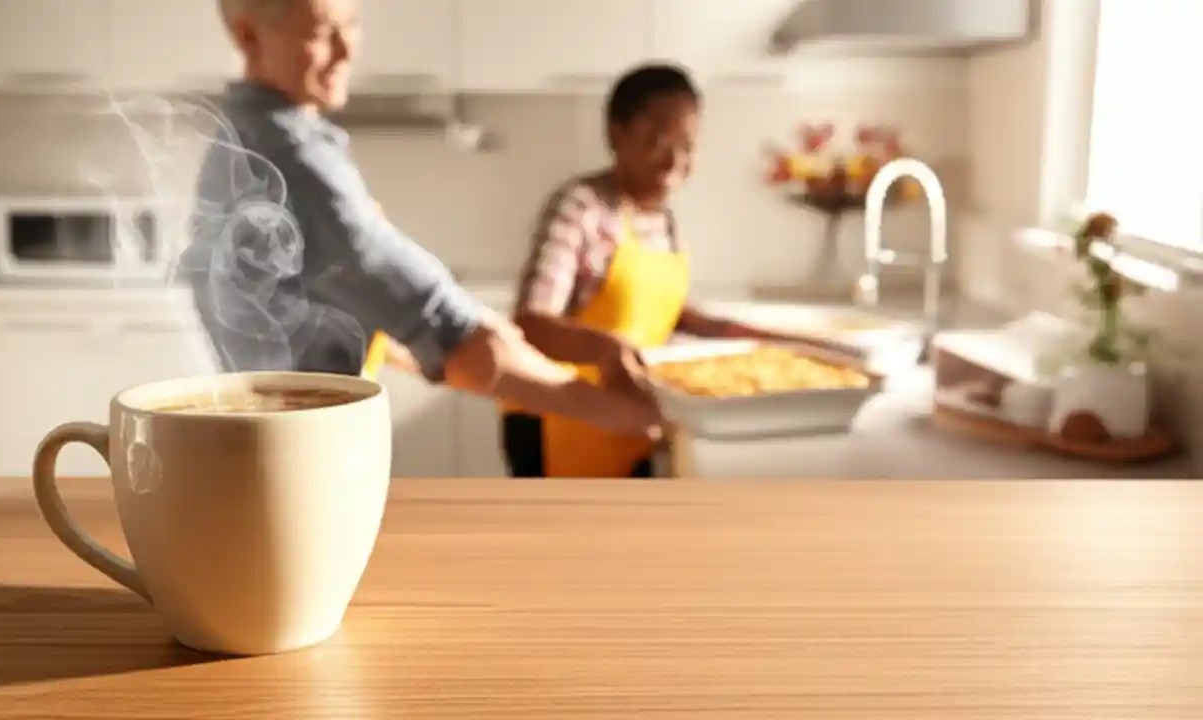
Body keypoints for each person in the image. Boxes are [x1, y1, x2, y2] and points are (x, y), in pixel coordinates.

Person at [181, 0, 662, 443]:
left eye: (352, 24)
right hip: (301, 447)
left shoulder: (242, 141)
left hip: (268, 439)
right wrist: (627, 411)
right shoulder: (292, 156)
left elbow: (337, 303)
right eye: (323, 32)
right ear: (248, 38)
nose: (347, 50)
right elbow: (445, 324)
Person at [503, 64, 857, 479]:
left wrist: (764, 338)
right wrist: (608, 351)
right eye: (659, 142)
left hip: (629, 418)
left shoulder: (663, 219)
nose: (676, 160)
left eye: (688, 146)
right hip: (555, 419)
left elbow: (668, 313)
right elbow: (530, 324)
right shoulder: (581, 207)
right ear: (616, 134)